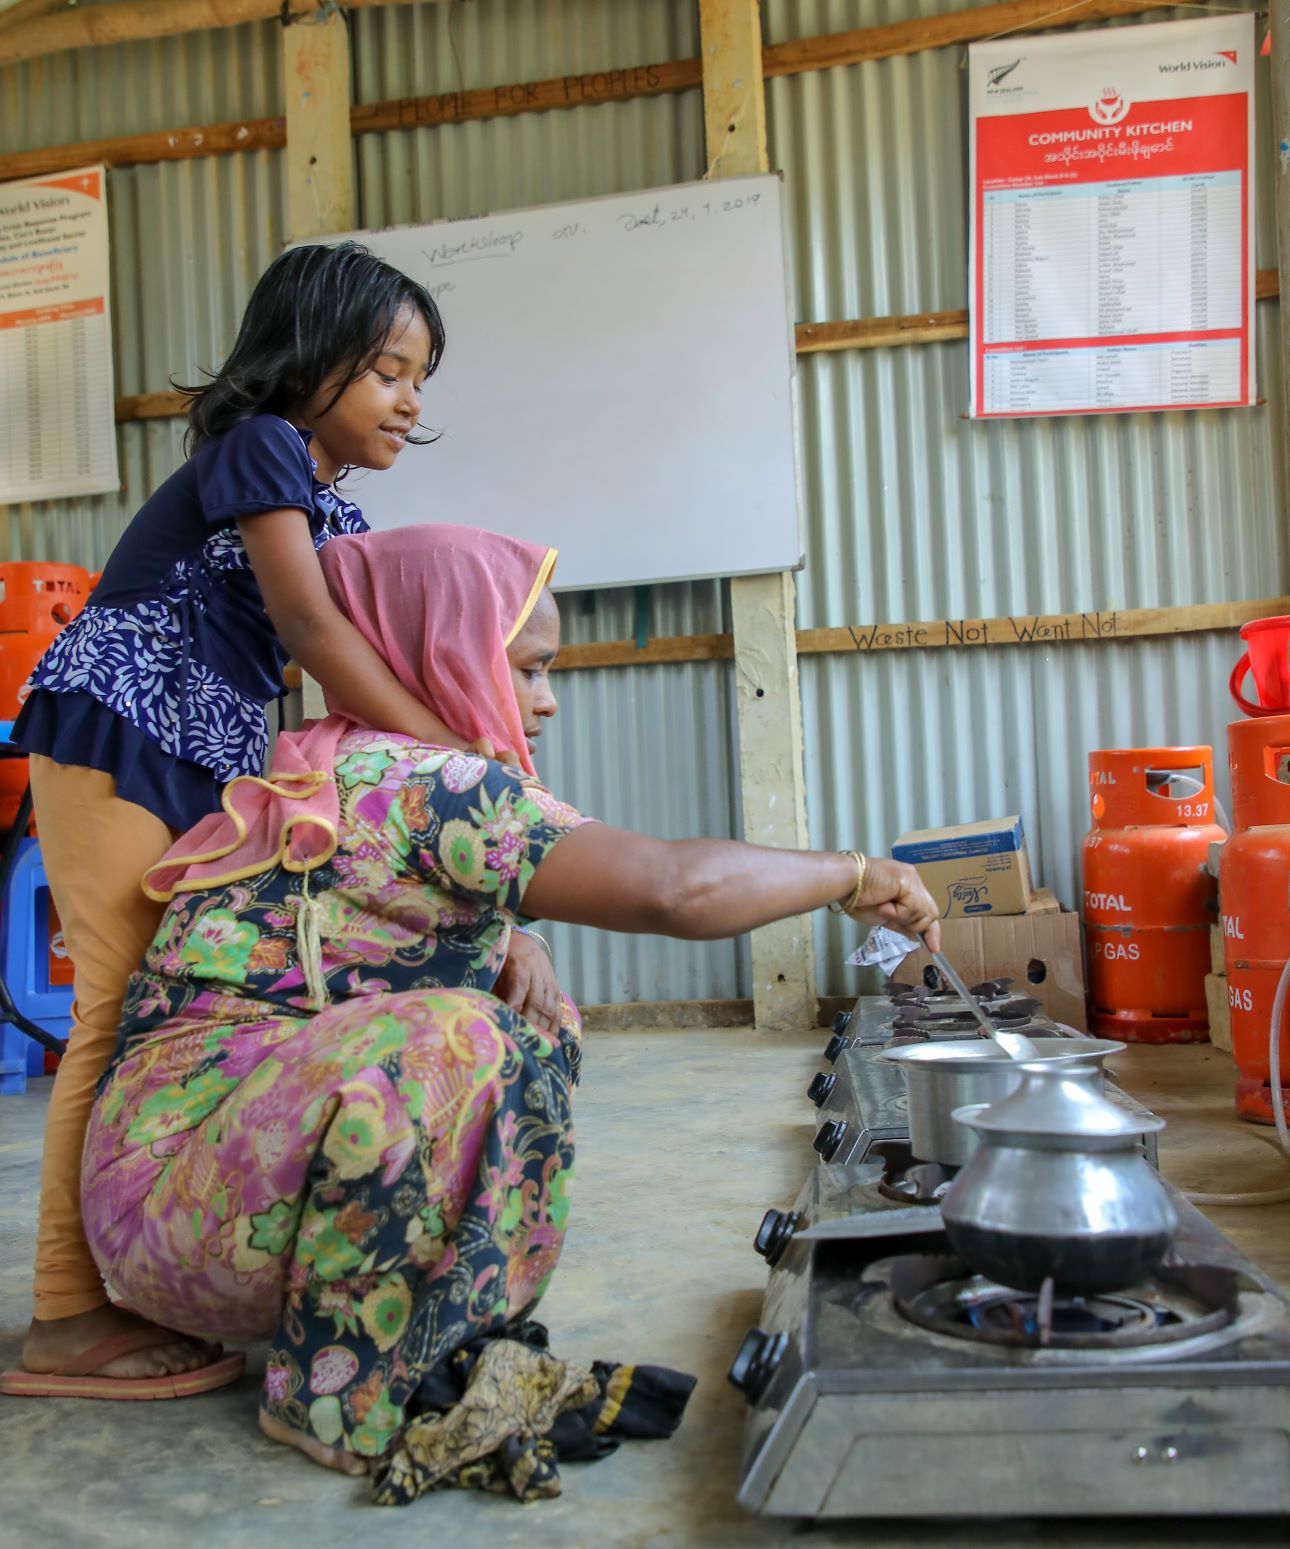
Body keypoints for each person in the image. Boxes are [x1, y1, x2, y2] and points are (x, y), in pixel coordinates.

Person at [67, 524, 939, 1494]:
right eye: (526, 668)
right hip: (183, 1205)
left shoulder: (351, 764)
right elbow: (671, 889)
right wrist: (857, 873)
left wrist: (505, 942)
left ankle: (436, 1331)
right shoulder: (431, 785)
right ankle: (335, 1398)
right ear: (435, 647)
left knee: (531, 1015)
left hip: (205, 1192)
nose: (547, 699)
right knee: (456, 1037)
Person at [1, 244, 556, 1399]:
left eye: (422, 379)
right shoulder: (258, 446)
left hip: (200, 748)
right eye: (391, 372)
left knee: (172, 995)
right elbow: (312, 634)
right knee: (115, 1003)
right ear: (312, 360)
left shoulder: (326, 496)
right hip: (117, 728)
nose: (411, 401)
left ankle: (152, 1264)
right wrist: (449, 760)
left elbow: (384, 642)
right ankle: (63, 1313)